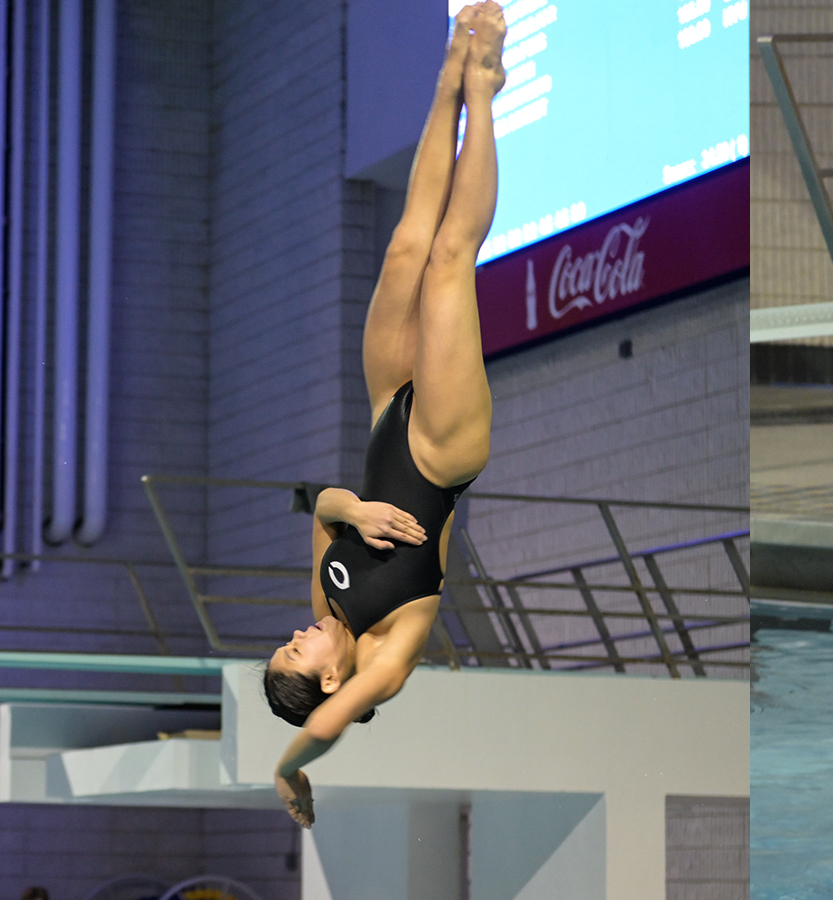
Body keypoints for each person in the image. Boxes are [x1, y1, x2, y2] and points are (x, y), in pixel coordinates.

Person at [262, 0, 507, 828]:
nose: (300, 632)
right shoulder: (388, 662)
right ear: (334, 677)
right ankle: (484, 92)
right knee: (447, 263)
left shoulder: (330, 596)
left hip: (383, 413)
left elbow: (317, 504)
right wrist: (290, 770)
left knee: (405, 242)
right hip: (441, 450)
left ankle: (445, 81)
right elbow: (325, 727)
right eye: (297, 649)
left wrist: (352, 509)